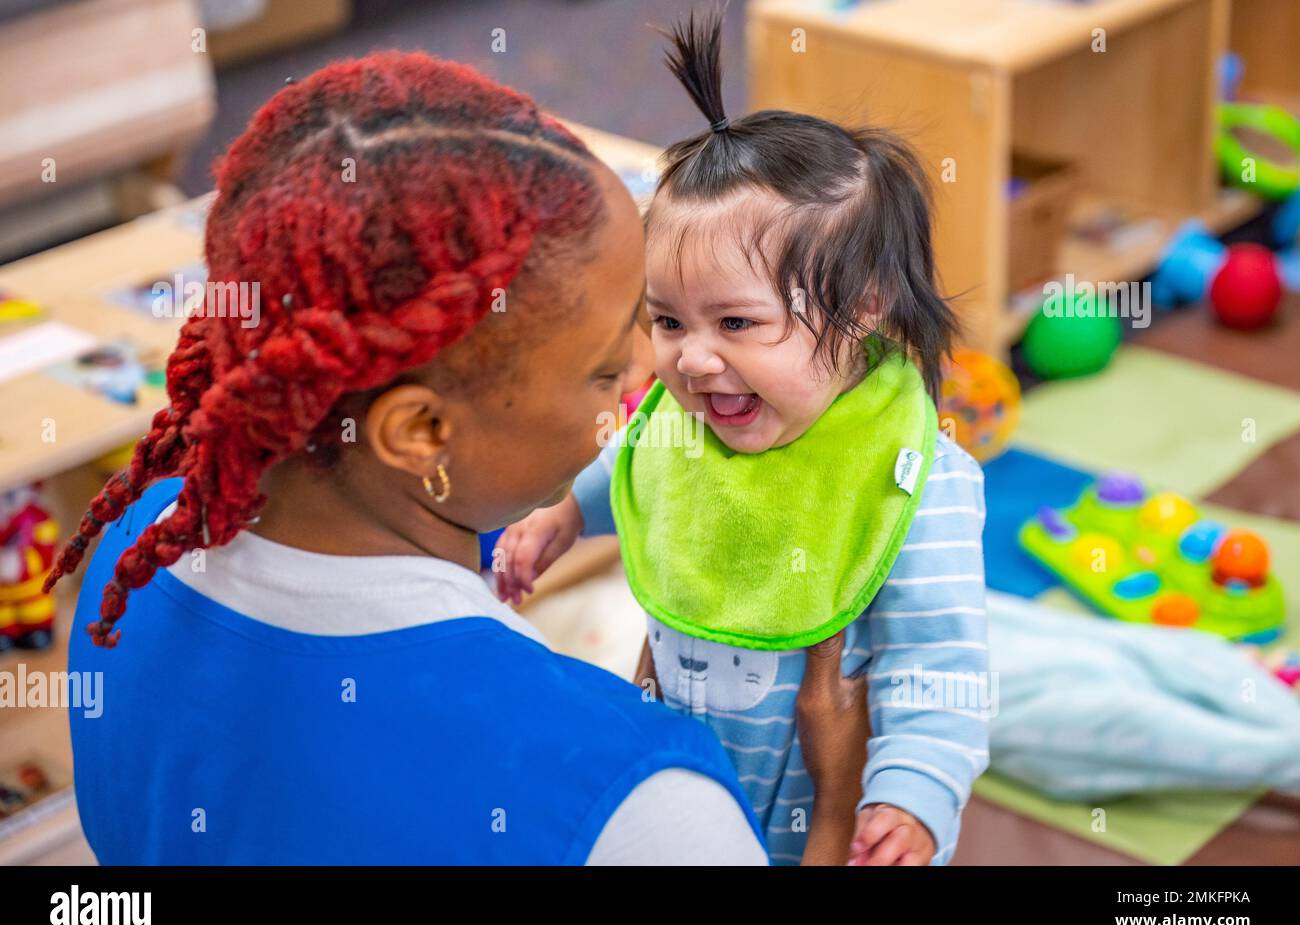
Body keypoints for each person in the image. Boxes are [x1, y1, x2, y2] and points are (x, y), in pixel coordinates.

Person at [45, 51, 865, 865]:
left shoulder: (131, 551)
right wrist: (835, 802)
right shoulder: (641, 806)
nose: (659, 373)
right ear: (420, 433)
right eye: (607, 371)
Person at [497, 11, 991, 866]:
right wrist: (566, 516)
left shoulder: (914, 477)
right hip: (687, 780)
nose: (693, 359)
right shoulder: (689, 422)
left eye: (736, 321)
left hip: (824, 802)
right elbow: (634, 464)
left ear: (864, 308)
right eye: (665, 319)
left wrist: (910, 797)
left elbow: (941, 664)